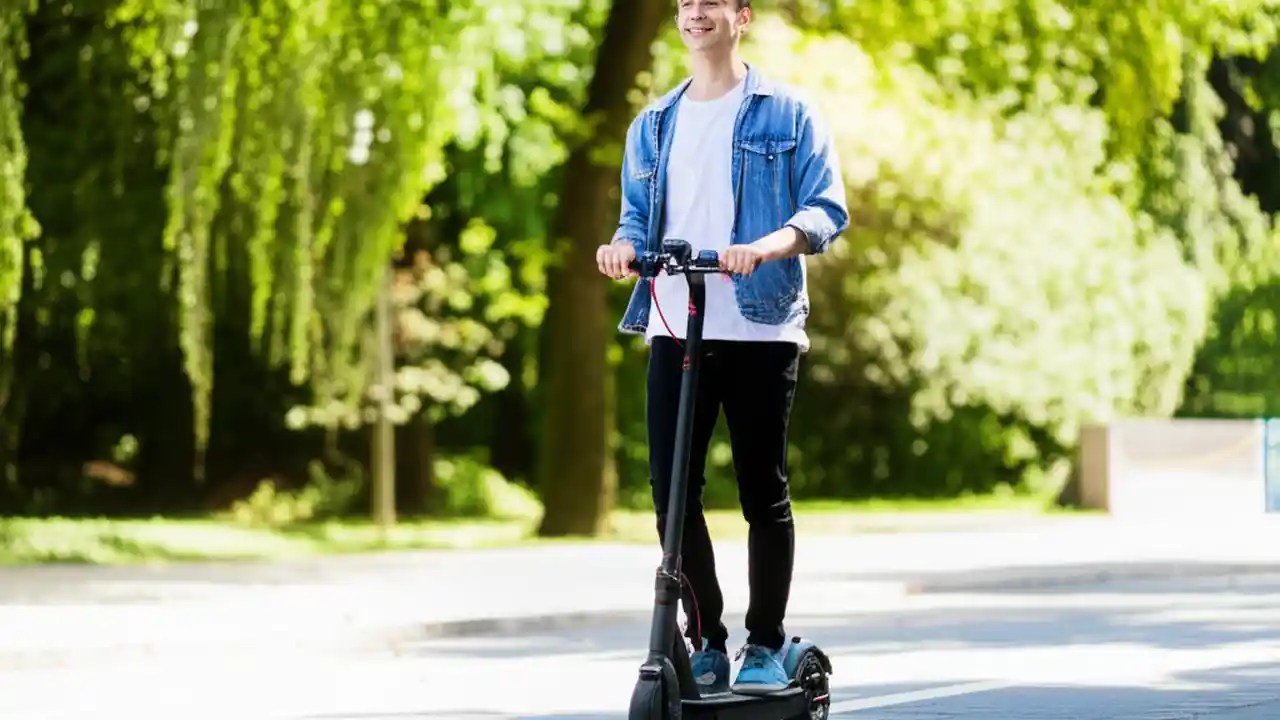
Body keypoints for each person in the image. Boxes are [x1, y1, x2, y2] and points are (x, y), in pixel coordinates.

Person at [595, 0, 849, 698]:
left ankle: (764, 642)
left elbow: (825, 207)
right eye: (685, 4)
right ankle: (707, 638)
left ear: (742, 15)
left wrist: (767, 247)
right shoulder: (653, 124)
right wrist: (621, 248)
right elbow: (636, 218)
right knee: (671, 495)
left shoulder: (789, 112)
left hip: (760, 326)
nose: (695, 13)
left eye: (711, 2)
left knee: (762, 491)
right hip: (675, 321)